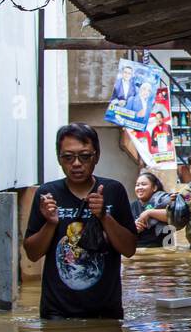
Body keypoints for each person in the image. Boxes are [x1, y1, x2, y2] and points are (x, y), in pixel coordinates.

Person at [23, 123, 137, 318]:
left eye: (84, 156)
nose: (76, 163)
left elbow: (129, 249)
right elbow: (32, 254)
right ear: (59, 159)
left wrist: (104, 216)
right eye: (68, 157)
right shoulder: (47, 195)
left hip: (106, 312)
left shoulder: (113, 191)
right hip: (57, 312)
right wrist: (51, 223)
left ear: (97, 156)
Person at [131, 171, 173, 249]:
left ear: (154, 188)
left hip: (164, 251)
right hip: (139, 250)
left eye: (143, 184)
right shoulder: (131, 206)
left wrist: (149, 212)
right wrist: (133, 228)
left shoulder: (162, 201)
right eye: (137, 185)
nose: (139, 187)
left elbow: (173, 216)